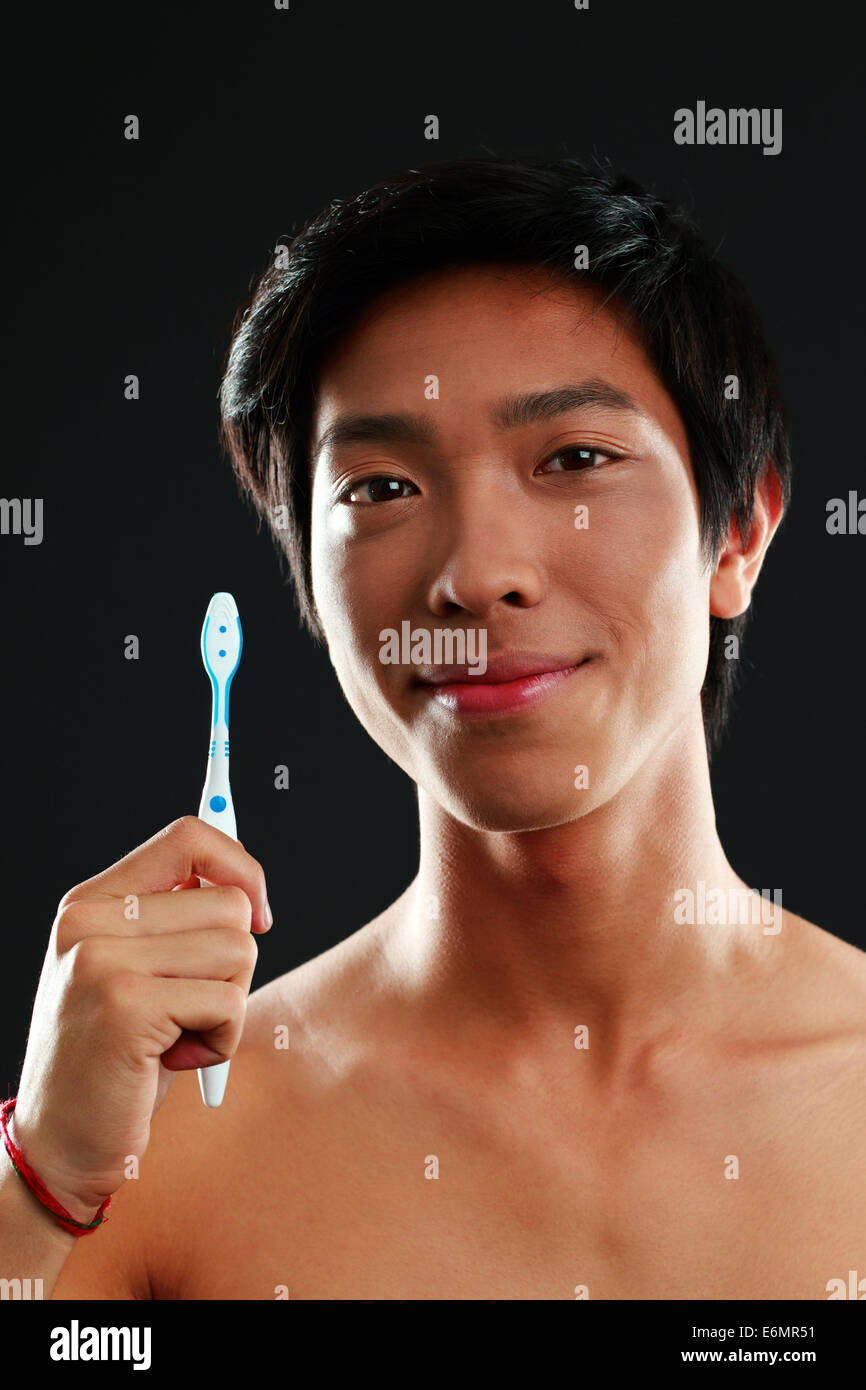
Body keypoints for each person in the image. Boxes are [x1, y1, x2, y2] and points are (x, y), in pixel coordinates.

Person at [3, 154, 864, 1301]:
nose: (475, 575)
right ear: (303, 570)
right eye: (378, 488)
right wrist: (38, 1188)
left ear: (737, 530)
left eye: (573, 459)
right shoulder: (144, 1156)